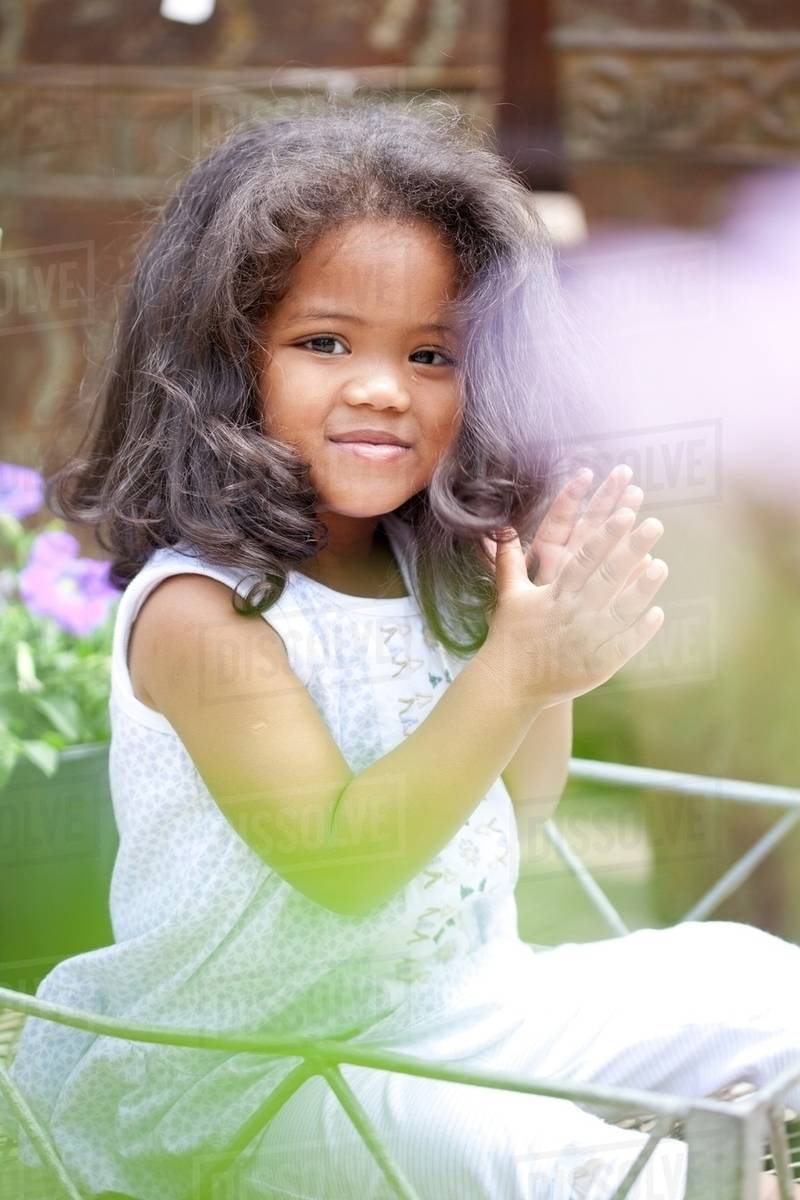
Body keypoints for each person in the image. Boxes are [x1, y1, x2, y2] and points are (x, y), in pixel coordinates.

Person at [5, 97, 799, 1200]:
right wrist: (512, 673)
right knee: (575, 1166)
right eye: (324, 343)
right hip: (255, 1076)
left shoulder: (433, 568)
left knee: (755, 981)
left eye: (431, 353)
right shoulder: (203, 610)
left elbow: (516, 817)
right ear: (225, 361)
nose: (383, 387)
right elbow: (344, 866)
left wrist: (549, 662)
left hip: (467, 1011)